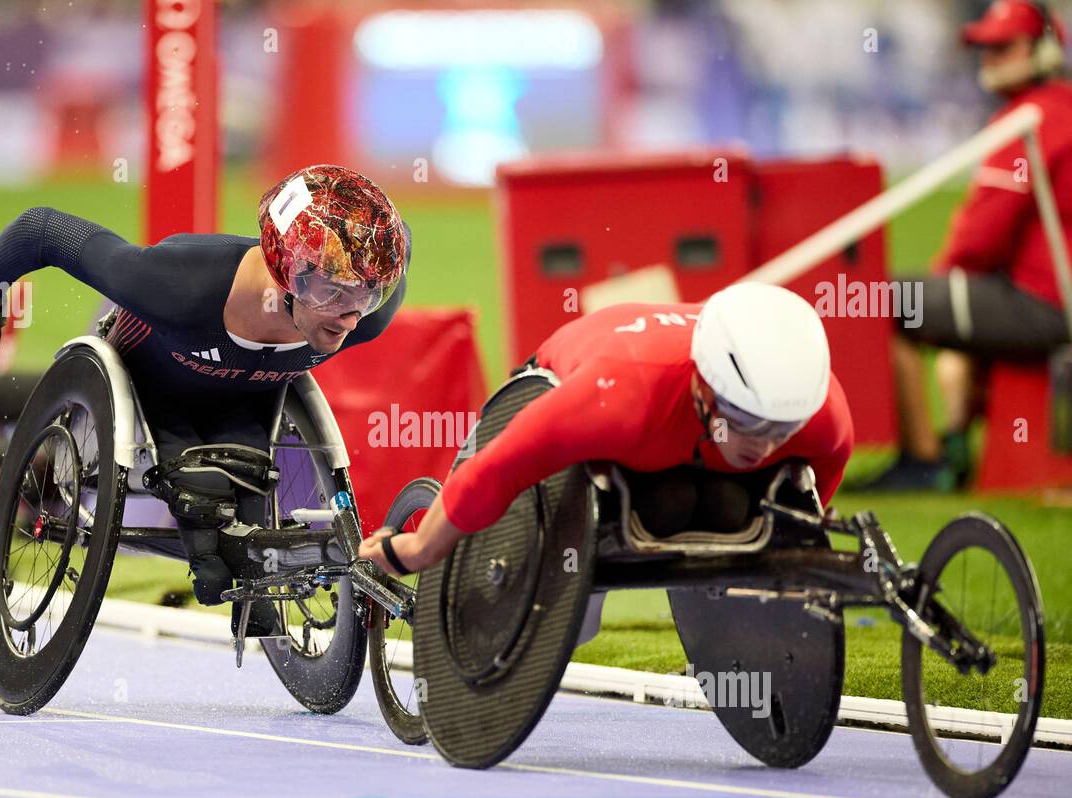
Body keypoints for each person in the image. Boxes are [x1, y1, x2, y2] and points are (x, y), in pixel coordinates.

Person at [0, 164, 411, 633]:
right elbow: (42, 228)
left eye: (366, 294)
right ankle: (17, 450)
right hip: (154, 386)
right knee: (204, 522)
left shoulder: (367, 315)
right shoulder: (176, 285)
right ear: (285, 271)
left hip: (252, 399)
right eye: (332, 293)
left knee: (236, 564)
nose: (350, 317)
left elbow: (396, 240)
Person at [359, 282, 854, 576]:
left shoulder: (821, 416)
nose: (764, 444)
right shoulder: (615, 398)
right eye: (746, 421)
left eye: (782, 429)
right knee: (664, 506)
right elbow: (494, 469)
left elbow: (805, 511)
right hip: (601, 369)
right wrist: (418, 548)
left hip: (673, 434)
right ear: (705, 387)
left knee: (725, 507)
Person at [867, 0, 1072, 491]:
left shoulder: (1030, 120)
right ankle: (956, 441)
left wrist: (945, 281)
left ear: (1043, 49)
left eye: (1003, 47)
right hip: (1045, 294)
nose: (989, 59)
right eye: (985, 48)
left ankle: (924, 460)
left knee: (886, 301)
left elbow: (980, 238)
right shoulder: (1059, 110)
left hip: (1046, 305)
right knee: (951, 303)